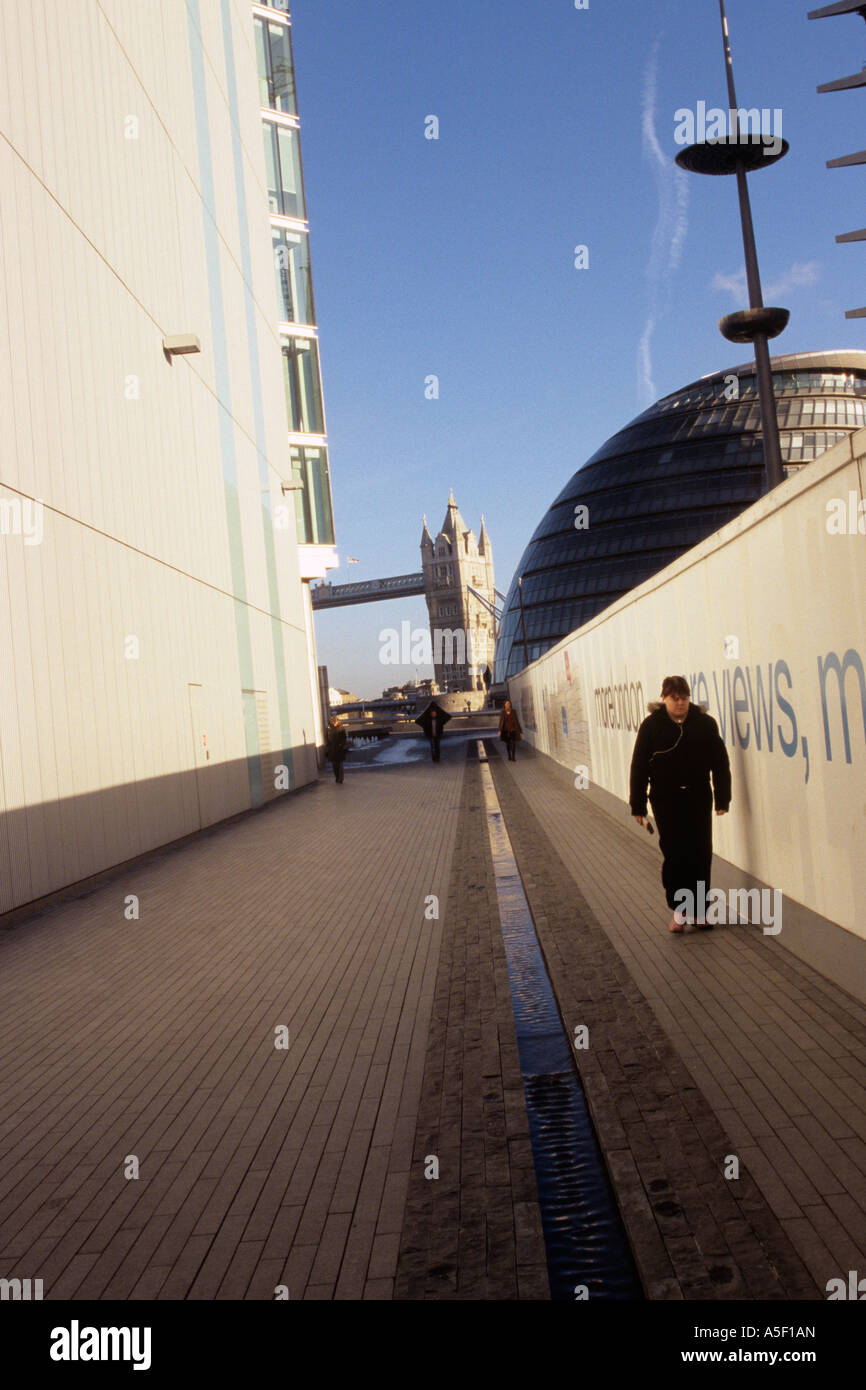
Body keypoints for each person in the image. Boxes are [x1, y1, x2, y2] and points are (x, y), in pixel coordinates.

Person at [629, 676, 730, 933]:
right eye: (675, 698)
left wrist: (722, 798)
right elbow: (639, 767)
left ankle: (699, 911)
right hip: (665, 799)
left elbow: (720, 763)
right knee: (675, 854)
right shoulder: (651, 726)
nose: (681, 703)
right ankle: (679, 910)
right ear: (664, 698)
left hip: (698, 796)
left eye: (684, 697)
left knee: (700, 853)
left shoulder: (705, 724)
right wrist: (638, 807)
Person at [325, 715, 347, 783]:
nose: (334, 723)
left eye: (335, 721)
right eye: (332, 722)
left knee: (340, 765)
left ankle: (340, 778)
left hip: (339, 749)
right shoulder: (329, 729)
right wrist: (327, 748)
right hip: (332, 750)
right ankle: (337, 777)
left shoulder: (341, 728)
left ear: (337, 721)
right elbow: (327, 740)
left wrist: (341, 745)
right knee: (334, 765)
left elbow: (344, 738)